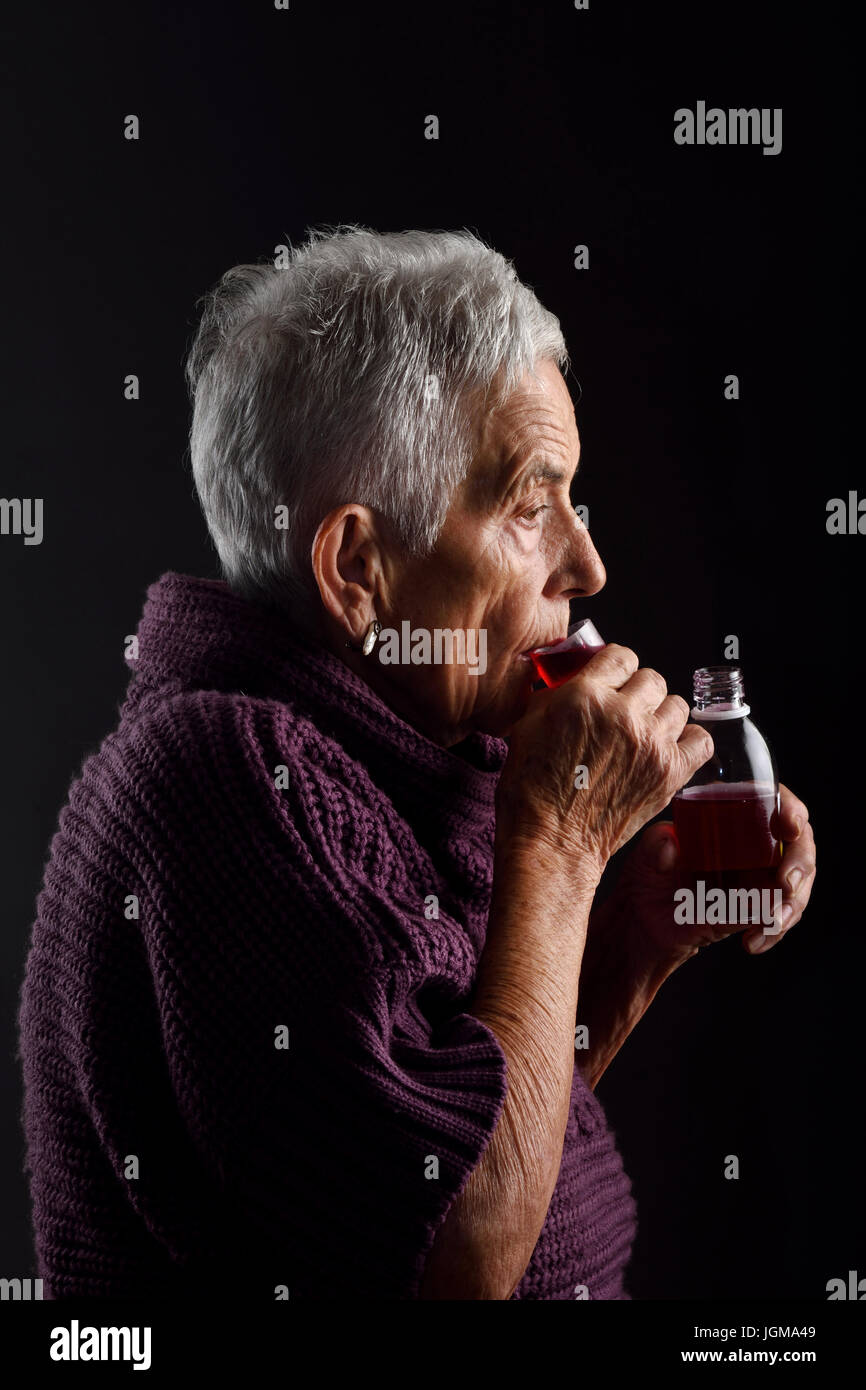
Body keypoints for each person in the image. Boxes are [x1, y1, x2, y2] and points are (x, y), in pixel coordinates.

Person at [18, 227, 816, 1300]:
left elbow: (463, 1124)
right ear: (357, 565)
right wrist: (563, 838)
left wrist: (633, 935)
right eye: (531, 505)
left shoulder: (389, 759)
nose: (585, 562)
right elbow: (455, 1254)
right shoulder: (228, 772)